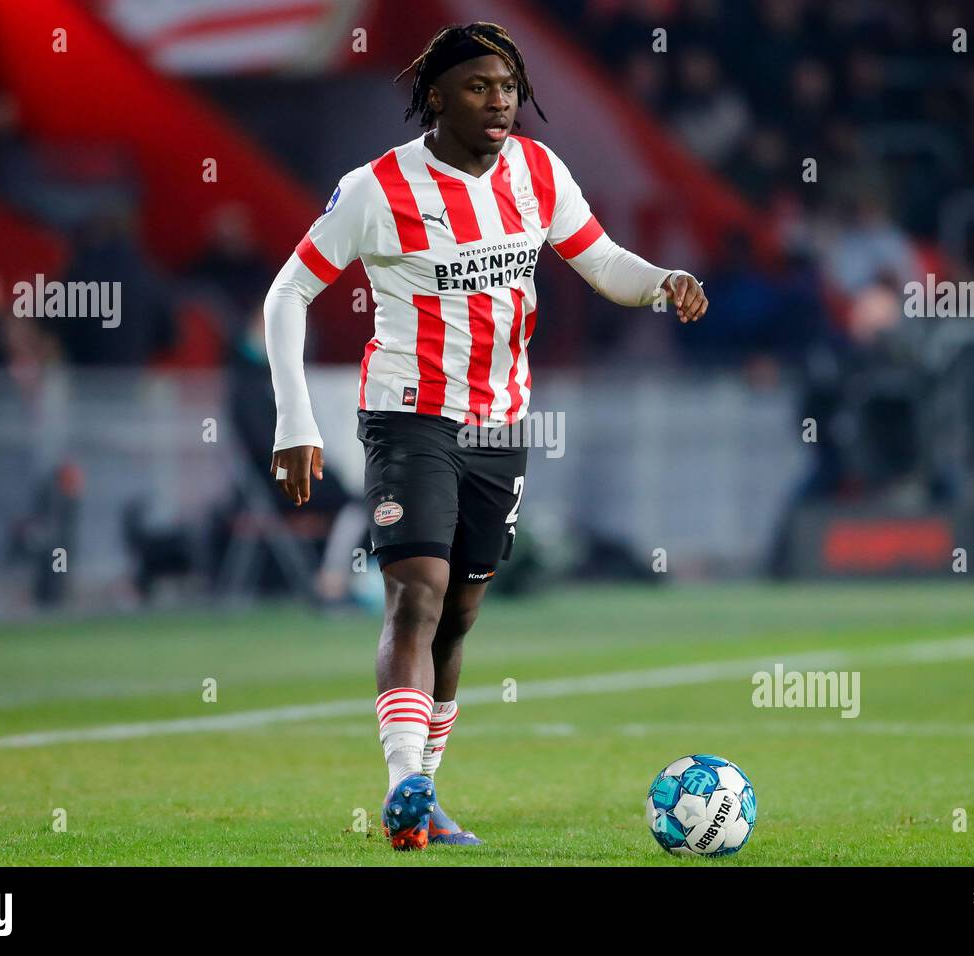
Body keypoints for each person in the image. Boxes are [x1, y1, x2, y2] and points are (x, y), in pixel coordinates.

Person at [263, 21, 707, 850]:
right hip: (408, 415)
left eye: (508, 86)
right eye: (478, 86)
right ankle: (405, 784)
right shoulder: (376, 189)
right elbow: (288, 293)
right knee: (416, 592)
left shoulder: (540, 173)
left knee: (461, 615)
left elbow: (602, 261)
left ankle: (426, 797)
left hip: (502, 421)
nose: (499, 100)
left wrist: (663, 283)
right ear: (436, 96)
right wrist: (295, 418)